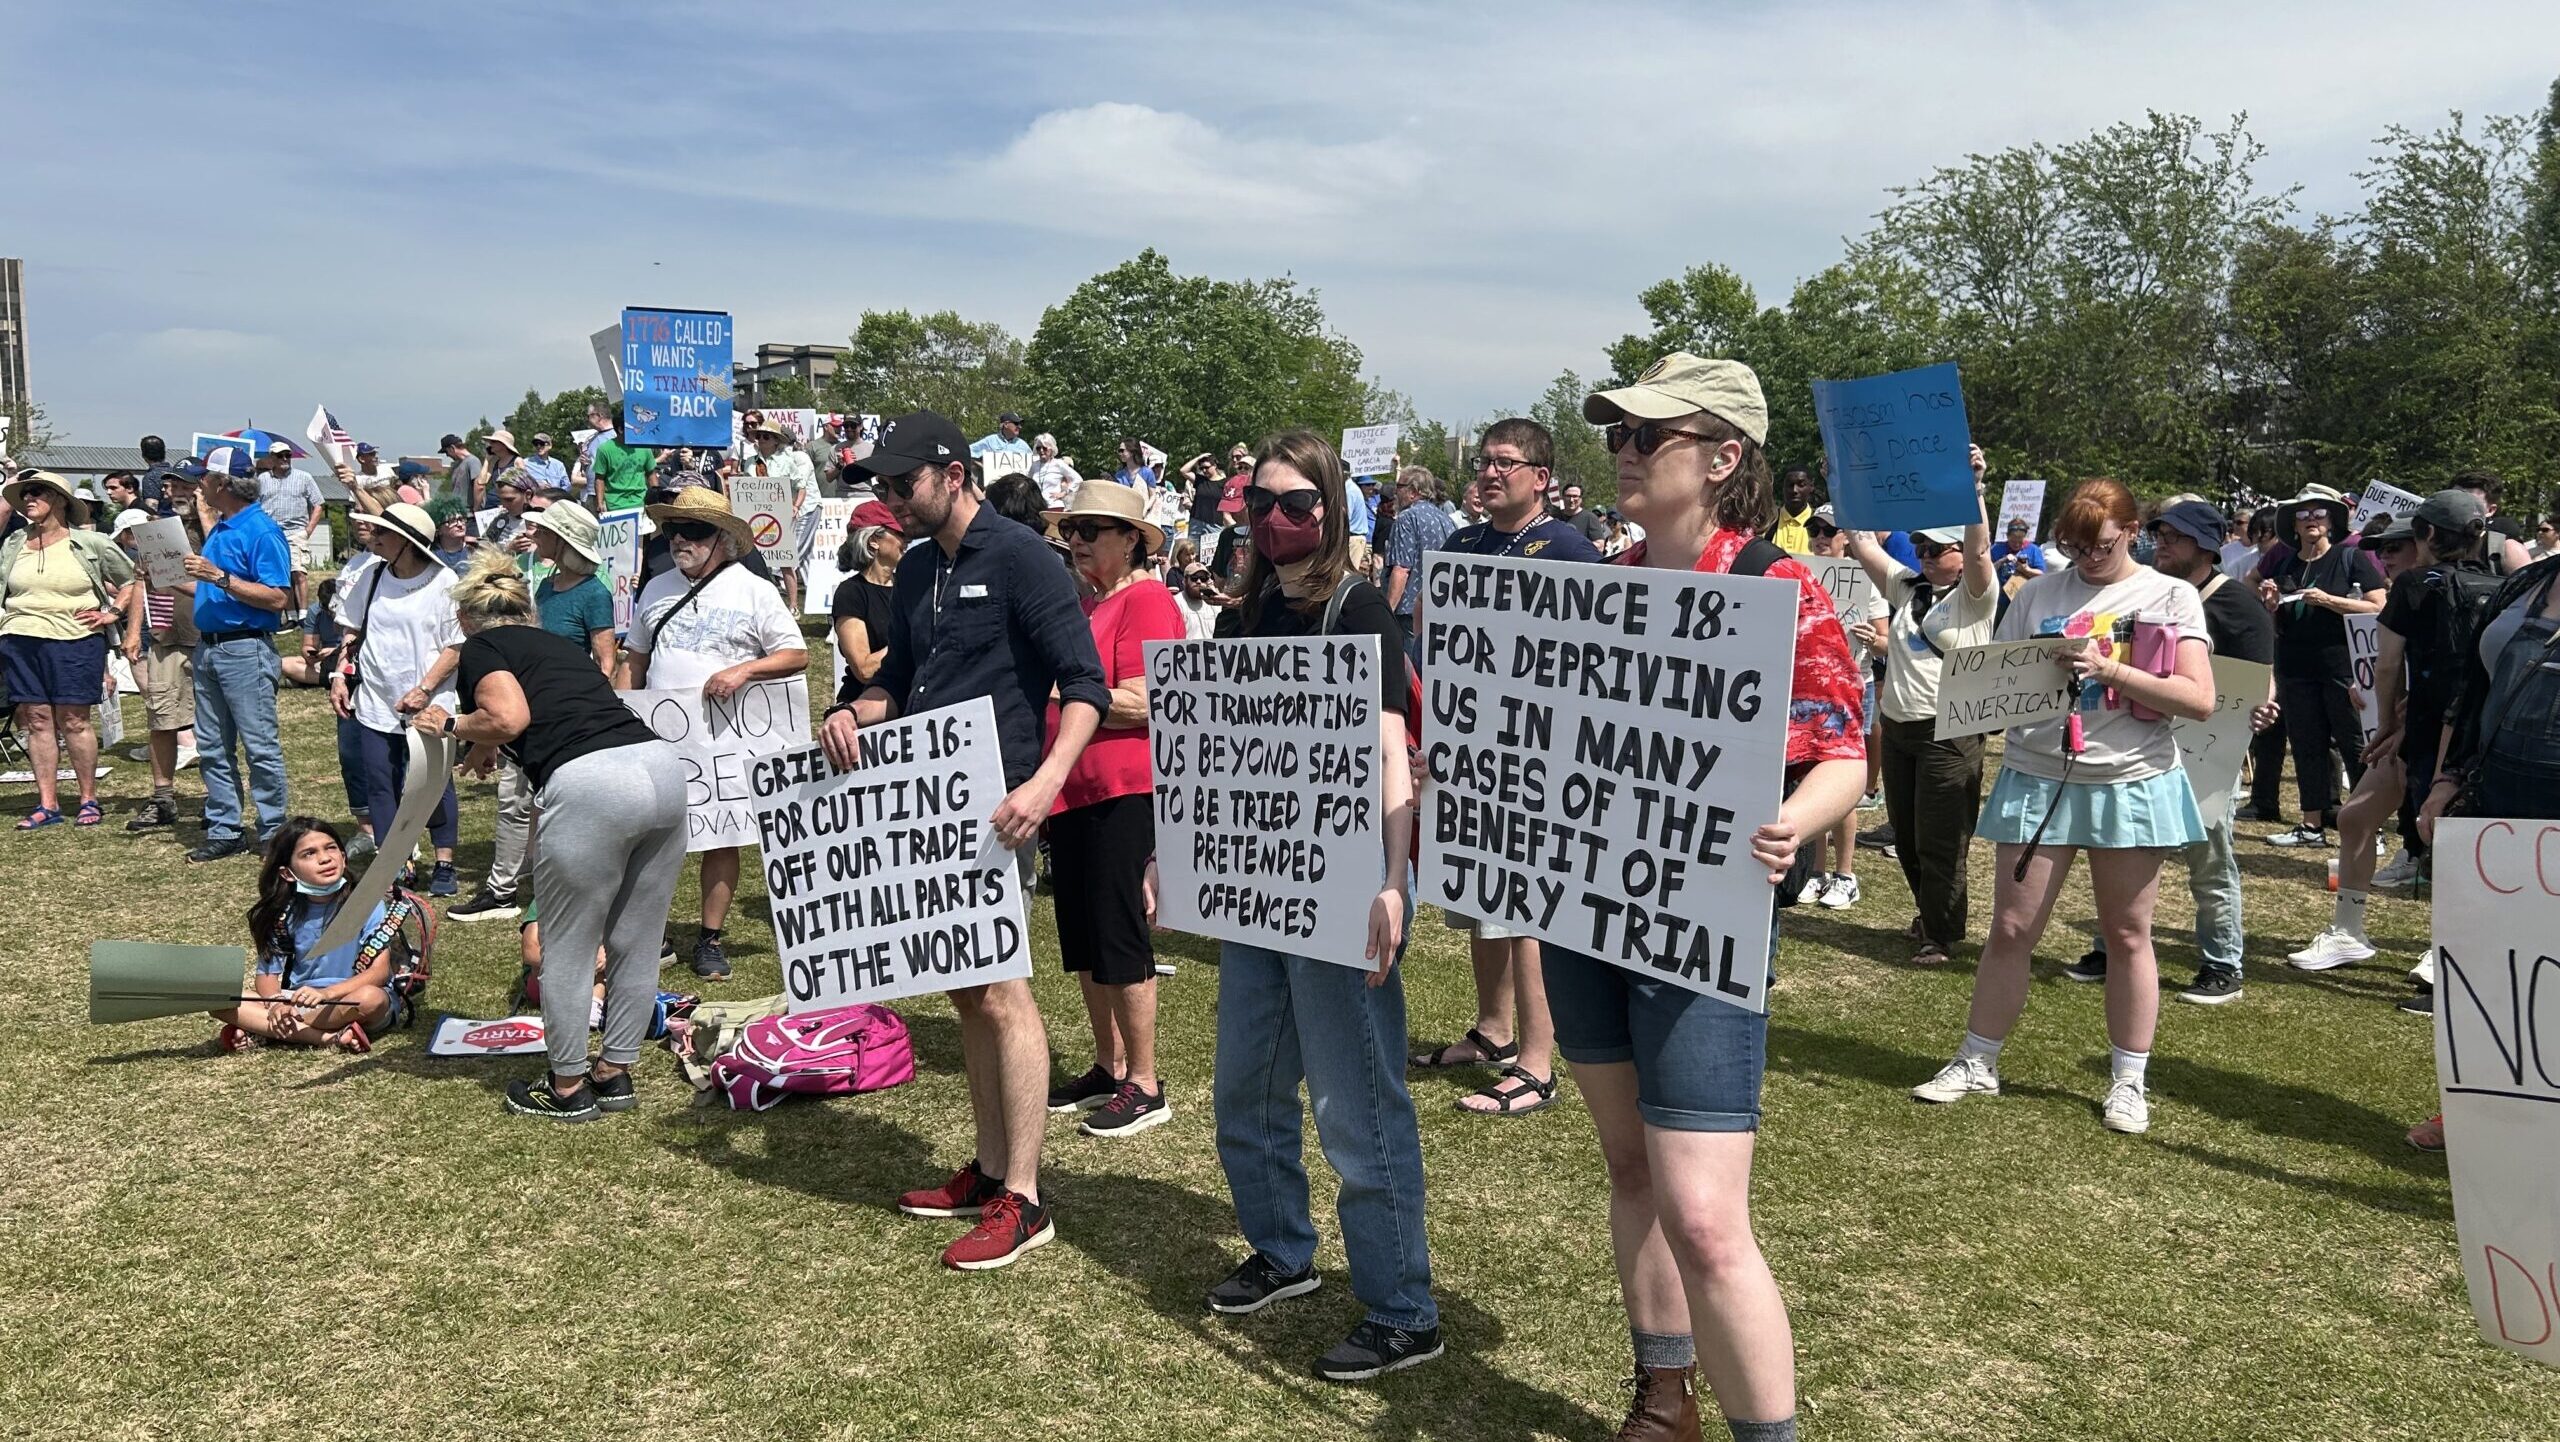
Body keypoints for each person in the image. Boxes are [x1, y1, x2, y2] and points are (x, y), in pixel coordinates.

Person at [1561, 355, 1866, 1439]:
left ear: (1722, 457)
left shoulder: (1777, 588)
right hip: (1580, 910)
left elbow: (1843, 748)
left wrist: (1795, 815)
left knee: (1703, 1211)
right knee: (1630, 1162)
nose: (1624, 455)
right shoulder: (1596, 579)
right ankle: (1662, 1389)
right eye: (1618, 438)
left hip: (1701, 924)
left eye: (1650, 437)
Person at [1168, 427, 1435, 1381]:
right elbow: (1217, 750)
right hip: (1253, 891)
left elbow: (1391, 745)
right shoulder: (1242, 614)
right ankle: (1283, 1251)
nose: (1276, 521)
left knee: (1355, 1104)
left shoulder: (1359, 607)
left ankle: (1403, 1307)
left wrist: (1396, 881)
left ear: (1331, 511)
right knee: (1245, 1087)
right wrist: (1177, 851)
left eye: (1296, 505)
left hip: (1344, 887)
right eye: (1260, 504)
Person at [823, 409, 1109, 1272]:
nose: (891, 500)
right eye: (881, 486)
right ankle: (989, 1170)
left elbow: (1084, 685)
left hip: (1001, 805)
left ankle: (1023, 1198)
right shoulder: (914, 571)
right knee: (962, 987)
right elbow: (900, 684)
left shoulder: (1024, 557)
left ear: (953, 473)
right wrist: (848, 712)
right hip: (926, 803)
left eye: (902, 483)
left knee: (1003, 992)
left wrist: (1044, 784)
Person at [1914, 477, 2217, 1136]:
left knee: (2129, 934)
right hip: (2038, 775)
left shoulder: (2172, 595)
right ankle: (1977, 1060)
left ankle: (2129, 1080)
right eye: (2076, 548)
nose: (2088, 560)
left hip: (2131, 780)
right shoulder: (2040, 592)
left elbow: (2198, 698)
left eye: (2102, 546)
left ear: (2132, 532)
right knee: (2013, 929)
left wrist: (2110, 671)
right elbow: (2003, 680)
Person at [410, 551, 687, 1119]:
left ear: (465, 618)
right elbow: (546, 706)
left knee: (568, 945)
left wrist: (453, 725)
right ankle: (615, 1073)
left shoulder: (480, 649)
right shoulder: (557, 645)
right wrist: (486, 745)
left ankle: (565, 1085)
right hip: (660, 768)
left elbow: (510, 717)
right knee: (637, 938)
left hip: (590, 785)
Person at [1407, 420, 1601, 1118]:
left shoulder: (1572, 550)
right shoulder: (1460, 543)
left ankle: (1538, 1061)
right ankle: (1492, 1032)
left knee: (1529, 909)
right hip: (1466, 747)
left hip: (1539, 753)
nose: (1490, 474)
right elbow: (1436, 640)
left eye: (1506, 463)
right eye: (1484, 462)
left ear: (1541, 477)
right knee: (1477, 895)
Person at [2072, 500, 2278, 1005]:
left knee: (2208, 858)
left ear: (2206, 548)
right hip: (2137, 743)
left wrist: (2263, 707)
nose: (2162, 544)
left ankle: (2222, 962)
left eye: (2176, 538)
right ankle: (2110, 947)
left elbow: (2260, 679)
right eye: (2160, 535)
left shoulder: (2237, 605)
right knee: (2124, 848)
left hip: (2207, 751)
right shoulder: (2141, 592)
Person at [2289, 491, 2499, 974]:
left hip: (2431, 734)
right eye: (2380, 549)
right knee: (2356, 818)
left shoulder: (2412, 589)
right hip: (2454, 728)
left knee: (2440, 838)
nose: (2384, 558)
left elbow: (2387, 667)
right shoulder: (2500, 585)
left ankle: (2445, 947)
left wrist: (2387, 723)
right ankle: (2348, 932)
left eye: (2394, 547)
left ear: (2424, 538)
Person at [1040, 480, 1186, 1137]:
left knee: (1120, 935)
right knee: (1085, 938)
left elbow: (1153, 699)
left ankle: (1145, 1082)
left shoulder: (1147, 600)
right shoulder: (1087, 606)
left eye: (1092, 530)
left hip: (1124, 791)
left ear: (1131, 540)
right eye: (1072, 531)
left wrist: (1072, 688)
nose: (1077, 541)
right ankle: (1109, 1064)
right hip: (1073, 789)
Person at [621, 486, 808, 980]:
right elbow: (636, 658)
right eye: (674, 530)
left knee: (722, 837)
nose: (682, 539)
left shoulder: (753, 590)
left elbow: (796, 653)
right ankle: (650, 934)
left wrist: (743, 671)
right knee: (648, 837)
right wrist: (621, 710)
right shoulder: (656, 588)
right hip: (660, 738)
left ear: (723, 538)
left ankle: (709, 938)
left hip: (723, 745)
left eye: (696, 530)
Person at [447, 501, 619, 924]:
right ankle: (503, 888)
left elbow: (606, 661)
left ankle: (539, 893)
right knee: (513, 800)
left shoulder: (594, 592)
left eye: (543, 531)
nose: (534, 535)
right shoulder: (543, 588)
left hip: (559, 721)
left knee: (548, 807)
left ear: (562, 540)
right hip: (518, 705)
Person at [331, 502, 462, 897]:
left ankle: (444, 862)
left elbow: (456, 646)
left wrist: (424, 689)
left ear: (407, 542)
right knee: (380, 782)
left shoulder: (445, 581)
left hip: (431, 699)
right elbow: (352, 631)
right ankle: (395, 862)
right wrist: (340, 675)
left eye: (383, 534)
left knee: (433, 782)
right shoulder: (372, 576)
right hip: (375, 698)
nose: (375, 538)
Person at [176, 449, 296, 860]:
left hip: (245, 648)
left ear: (223, 485)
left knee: (259, 744)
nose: (199, 485)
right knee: (211, 745)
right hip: (210, 648)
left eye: (204, 478)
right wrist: (167, 580)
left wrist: (219, 576)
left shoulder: (261, 531)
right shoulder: (225, 528)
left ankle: (274, 831)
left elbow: (278, 597)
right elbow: (214, 589)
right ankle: (226, 827)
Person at [1, 470, 136, 828]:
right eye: (24, 494)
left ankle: (88, 799)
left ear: (60, 500)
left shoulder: (90, 544)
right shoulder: (14, 542)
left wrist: (113, 613)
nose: (29, 499)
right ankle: (47, 804)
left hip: (76, 639)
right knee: (36, 720)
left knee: (74, 721)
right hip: (19, 638)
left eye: (37, 492)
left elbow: (130, 580)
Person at [210, 819, 409, 1054]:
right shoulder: (282, 913)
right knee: (217, 998)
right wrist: (276, 1003)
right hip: (296, 999)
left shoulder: (367, 904)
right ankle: (326, 1038)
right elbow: (267, 976)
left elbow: (378, 973)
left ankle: (266, 1029)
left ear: (344, 857)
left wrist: (325, 994)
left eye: (331, 848)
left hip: (348, 999)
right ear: (287, 872)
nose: (325, 858)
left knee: (370, 999)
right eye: (309, 854)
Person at [2258, 486, 2386, 847]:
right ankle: (2311, 825)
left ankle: (2369, 827)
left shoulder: (2350, 559)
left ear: (2331, 522)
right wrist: (2271, 604)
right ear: (2294, 526)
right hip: (2295, 667)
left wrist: (2330, 600)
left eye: (2319, 514)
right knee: (2305, 745)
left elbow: (2378, 605)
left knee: (2354, 745)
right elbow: (2279, 615)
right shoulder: (2285, 564)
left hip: (2342, 668)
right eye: (2303, 515)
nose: (2311, 520)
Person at [1804, 504, 1895, 912]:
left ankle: (1845, 875)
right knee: (1811, 781)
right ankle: (1817, 872)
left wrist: (1870, 639)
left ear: (1846, 538)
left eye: (1829, 530)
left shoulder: (1867, 584)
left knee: (1841, 784)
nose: (1821, 536)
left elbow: (1888, 643)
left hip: (1852, 689)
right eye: (1814, 528)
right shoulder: (1799, 577)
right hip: (1809, 691)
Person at [115, 505, 200, 832]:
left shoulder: (218, 529)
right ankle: (163, 798)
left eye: (183, 486)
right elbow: (141, 583)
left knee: (213, 725)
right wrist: (134, 631)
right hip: (166, 637)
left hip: (209, 636)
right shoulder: (156, 531)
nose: (174, 491)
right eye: (169, 486)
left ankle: (217, 799)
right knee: (162, 718)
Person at [1379, 466, 1455, 667]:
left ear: (1413, 492)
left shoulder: (1406, 518)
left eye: (1399, 486)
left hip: (1409, 613)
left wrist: (1386, 613)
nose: (1396, 492)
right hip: (1440, 608)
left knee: (1411, 675)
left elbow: (1401, 570)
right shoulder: (1446, 519)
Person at [828, 500, 904, 694]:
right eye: (899, 533)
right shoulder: (851, 594)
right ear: (873, 541)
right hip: (866, 700)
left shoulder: (909, 585)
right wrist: (911, 640)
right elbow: (864, 669)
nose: (907, 539)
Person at [743, 414, 818, 612]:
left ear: (776, 440)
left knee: (784, 559)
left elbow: (801, 487)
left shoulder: (788, 461)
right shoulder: (750, 462)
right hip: (755, 515)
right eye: (758, 436)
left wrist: (795, 506)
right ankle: (759, 604)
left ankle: (793, 606)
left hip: (780, 515)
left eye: (766, 436)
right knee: (756, 559)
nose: (761, 440)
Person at [256, 442, 324, 621]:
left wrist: (308, 530)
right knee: (281, 574)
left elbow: (318, 504)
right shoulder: (262, 480)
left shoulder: (304, 477)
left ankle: (303, 614)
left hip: (296, 531)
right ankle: (291, 614)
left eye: (288, 455)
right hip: (271, 533)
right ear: (271, 458)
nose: (285, 459)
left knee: (299, 572)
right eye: (280, 456)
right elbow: (254, 505)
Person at [588, 404, 655, 514]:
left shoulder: (644, 447)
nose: (636, 431)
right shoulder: (605, 449)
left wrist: (655, 499)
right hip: (614, 507)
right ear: (620, 430)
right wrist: (600, 503)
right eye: (632, 428)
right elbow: (599, 478)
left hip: (641, 505)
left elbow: (651, 474)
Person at [1164, 536, 1224, 640]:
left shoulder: (1216, 603)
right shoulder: (1176, 603)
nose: (1199, 582)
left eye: (1203, 578)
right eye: (1194, 578)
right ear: (1184, 581)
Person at [1770, 464, 1820, 553]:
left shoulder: (1819, 523)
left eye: (1801, 485)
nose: (1794, 490)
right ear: (1783, 488)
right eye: (1790, 485)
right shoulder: (1769, 521)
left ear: (1811, 487)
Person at [1990, 516, 2047, 588]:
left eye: (2020, 542)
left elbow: (2041, 575)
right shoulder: (1996, 549)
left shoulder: (2034, 550)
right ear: (2007, 536)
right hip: (2001, 596)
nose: (2016, 545)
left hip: (2025, 595)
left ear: (2025, 536)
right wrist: (2002, 561)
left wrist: (2026, 570)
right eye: (2013, 541)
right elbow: (1987, 572)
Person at [1029, 433, 1081, 508]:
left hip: (1054, 506)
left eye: (1044, 448)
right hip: (1036, 506)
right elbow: (1028, 483)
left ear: (1051, 449)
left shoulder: (1058, 464)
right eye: (1038, 448)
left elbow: (1078, 479)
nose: (1041, 451)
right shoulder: (1034, 465)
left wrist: (1064, 493)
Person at [1556, 482, 1609, 547]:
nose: (1571, 500)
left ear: (1581, 499)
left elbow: (1600, 545)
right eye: (1568, 496)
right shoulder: (1555, 517)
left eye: (1575, 496)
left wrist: (1577, 545)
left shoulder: (1590, 518)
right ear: (1563, 497)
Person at [439, 433, 483, 510]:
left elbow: (479, 486)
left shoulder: (473, 461)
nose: (447, 455)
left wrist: (476, 509)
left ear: (452, 448)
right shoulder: (456, 465)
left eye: (446, 452)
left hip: (470, 512)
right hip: (459, 511)